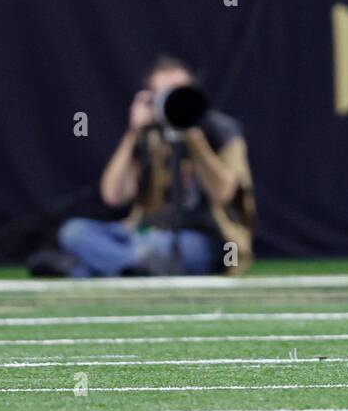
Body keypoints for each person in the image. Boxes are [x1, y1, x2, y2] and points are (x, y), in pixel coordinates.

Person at [56, 55, 256, 278]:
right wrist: (133, 133)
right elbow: (113, 195)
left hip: (203, 239)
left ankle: (104, 266)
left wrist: (195, 142)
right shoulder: (148, 134)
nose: (175, 102)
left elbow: (224, 195)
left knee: (156, 247)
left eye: (180, 92)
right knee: (74, 231)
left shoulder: (218, 132)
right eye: (167, 95)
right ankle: (132, 267)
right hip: (144, 232)